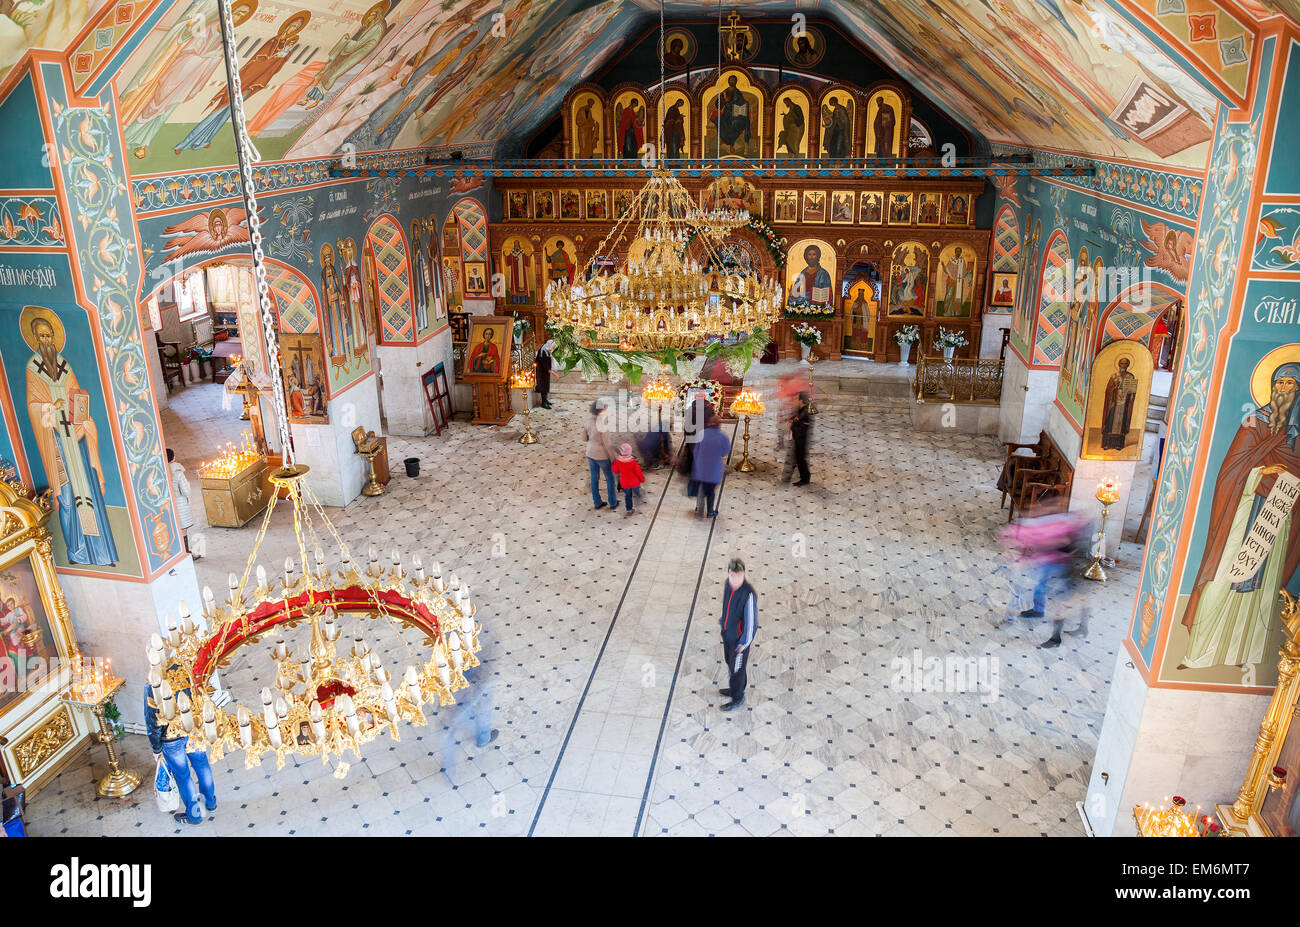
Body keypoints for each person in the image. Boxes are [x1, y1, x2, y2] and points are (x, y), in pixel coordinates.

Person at [145, 662, 216, 825]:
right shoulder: (184, 670)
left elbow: (151, 719)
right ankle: (211, 803)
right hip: (193, 728)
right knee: (202, 765)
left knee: (183, 776)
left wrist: (156, 748)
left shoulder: (152, 684)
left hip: (171, 737)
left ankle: (195, 815)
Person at [718, 559, 757, 711]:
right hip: (728, 635)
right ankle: (737, 687)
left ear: (744, 574)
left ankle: (738, 696)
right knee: (730, 663)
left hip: (739, 641)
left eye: (738, 576)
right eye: (732, 576)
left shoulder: (748, 594)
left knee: (737, 669)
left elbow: (751, 622)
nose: (735, 579)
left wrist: (744, 642)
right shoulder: (728, 586)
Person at [691, 409, 731, 518]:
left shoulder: (701, 433)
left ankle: (699, 508)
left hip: (701, 468)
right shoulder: (722, 437)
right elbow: (725, 452)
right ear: (719, 425)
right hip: (714, 469)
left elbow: (695, 450)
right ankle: (710, 512)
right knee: (711, 491)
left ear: (709, 423)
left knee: (702, 488)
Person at [584, 400, 619, 510]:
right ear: (601, 410)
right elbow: (607, 444)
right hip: (602, 456)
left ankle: (597, 502)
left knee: (594, 478)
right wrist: (613, 458)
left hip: (590, 453)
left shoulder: (587, 421)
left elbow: (584, 438)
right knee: (610, 478)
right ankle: (613, 502)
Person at [167, 448, 199, 559]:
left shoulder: (161, 471)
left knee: (172, 527)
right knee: (183, 528)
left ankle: (177, 552)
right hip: (179, 503)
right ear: (173, 458)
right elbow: (186, 491)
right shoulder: (178, 472)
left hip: (167, 504)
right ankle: (186, 553)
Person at [782, 391, 813, 486]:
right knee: (799, 459)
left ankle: (805, 479)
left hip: (801, 440)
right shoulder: (801, 409)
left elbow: (802, 427)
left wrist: (791, 425)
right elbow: (796, 418)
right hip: (798, 438)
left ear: (801, 400)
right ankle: (804, 477)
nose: (795, 400)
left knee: (801, 459)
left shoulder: (805, 413)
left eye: (796, 399)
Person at [612, 443, 645, 516]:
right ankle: (638, 495)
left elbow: (615, 470)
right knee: (637, 490)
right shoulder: (633, 462)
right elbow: (638, 472)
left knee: (627, 496)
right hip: (634, 482)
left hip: (625, 483)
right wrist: (642, 479)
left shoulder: (618, 461)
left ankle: (629, 510)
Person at [535, 339, 556, 408]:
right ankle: (543, 403)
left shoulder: (546, 348)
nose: (552, 349)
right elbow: (544, 363)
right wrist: (552, 372)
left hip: (545, 371)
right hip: (541, 372)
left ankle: (545, 400)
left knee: (546, 386)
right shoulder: (542, 351)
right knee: (543, 387)